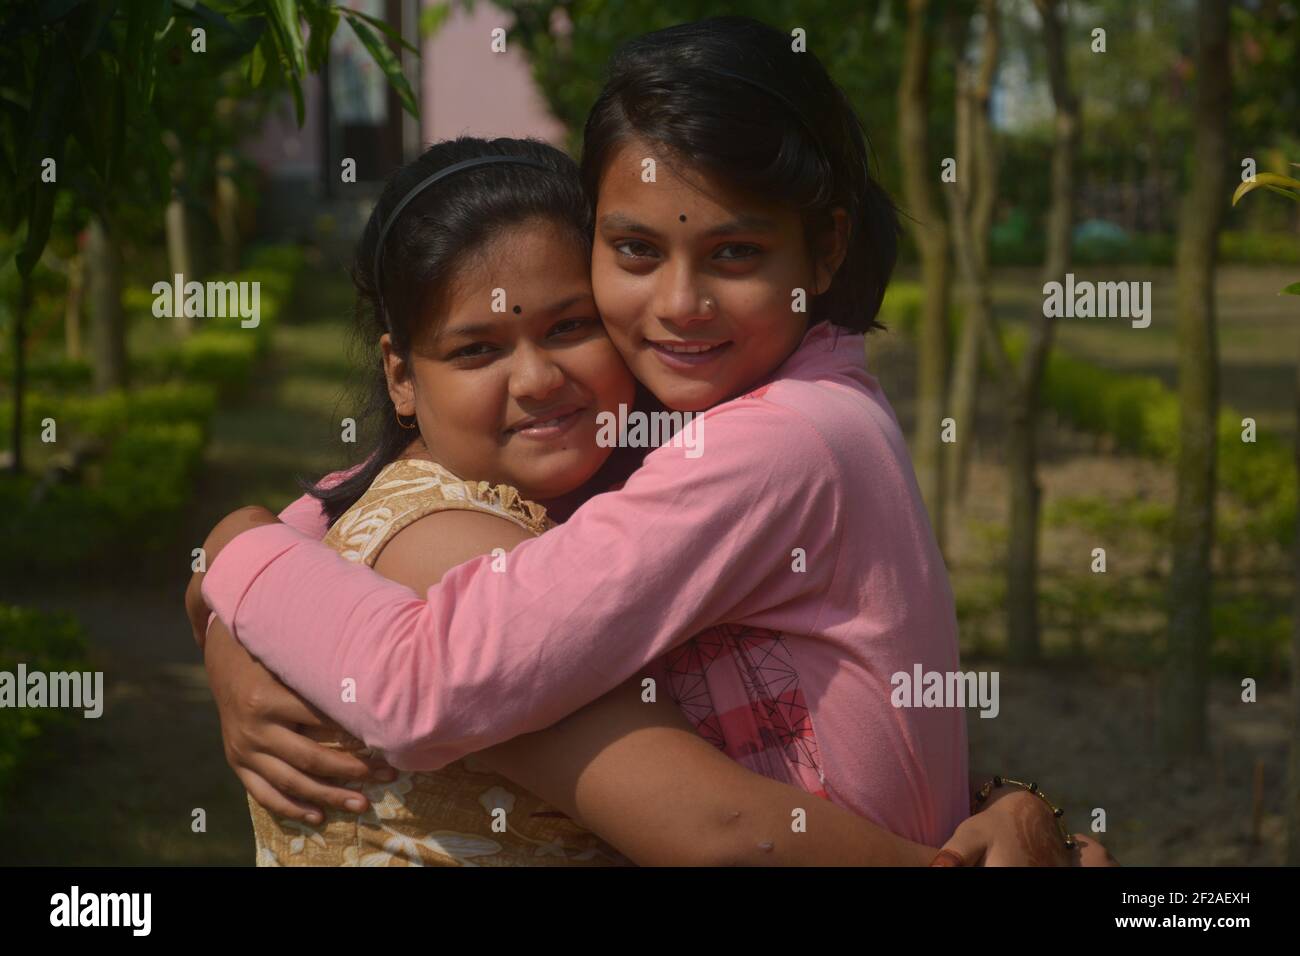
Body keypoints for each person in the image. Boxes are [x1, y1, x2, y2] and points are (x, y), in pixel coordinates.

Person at [192, 17, 1103, 865]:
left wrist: (234, 565)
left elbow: (424, 685)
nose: (678, 306)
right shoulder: (708, 417)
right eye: (634, 252)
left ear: (825, 250)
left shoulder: (776, 443)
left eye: (735, 254)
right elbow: (336, 502)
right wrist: (228, 575)